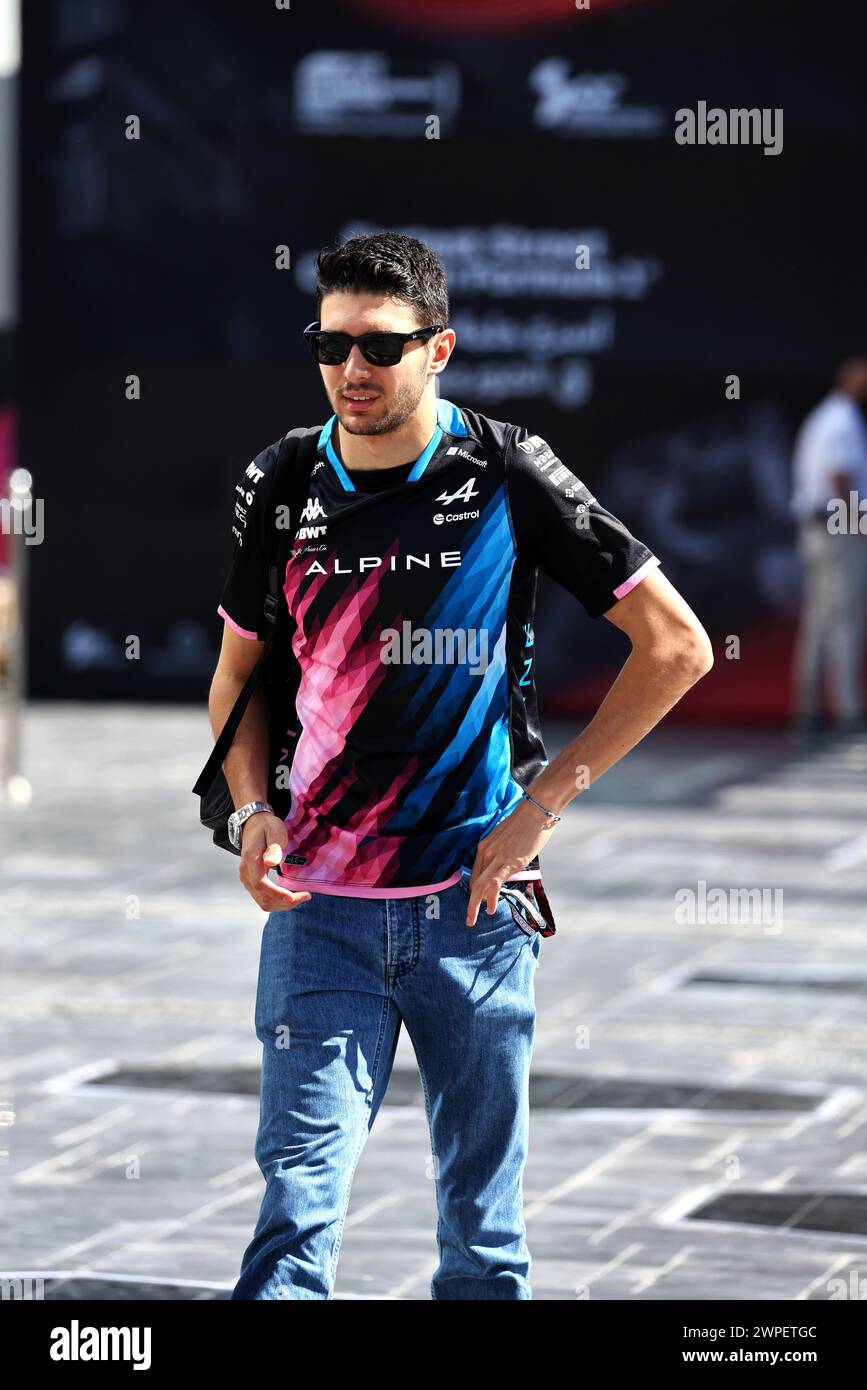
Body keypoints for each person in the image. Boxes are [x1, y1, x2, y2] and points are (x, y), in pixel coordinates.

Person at [208, 231, 713, 1300]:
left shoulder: (506, 469)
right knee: (294, 1221)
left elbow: (678, 646)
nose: (352, 369)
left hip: (473, 909)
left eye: (380, 347)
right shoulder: (283, 476)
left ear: (440, 350)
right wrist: (252, 811)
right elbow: (240, 681)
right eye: (330, 343)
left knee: (483, 1245)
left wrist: (544, 802)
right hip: (321, 913)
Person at [790, 359, 867, 735]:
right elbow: (839, 477)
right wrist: (860, 523)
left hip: (819, 528)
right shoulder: (841, 419)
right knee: (844, 619)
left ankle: (809, 710)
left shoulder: (824, 417)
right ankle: (847, 711)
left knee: (820, 619)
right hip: (837, 529)